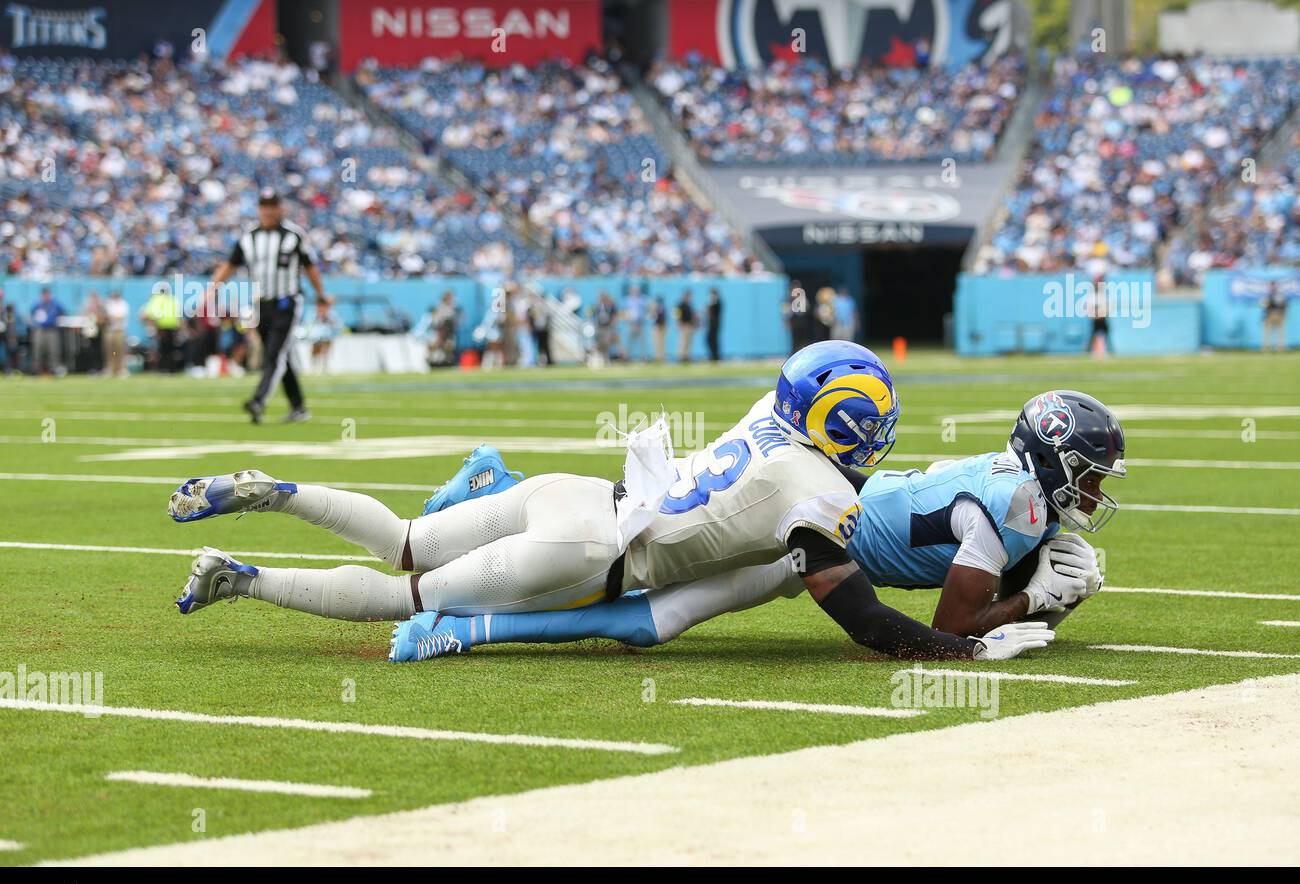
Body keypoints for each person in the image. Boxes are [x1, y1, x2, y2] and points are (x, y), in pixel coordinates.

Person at [168, 342, 1054, 664]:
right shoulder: (816, 489)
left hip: (578, 491)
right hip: (595, 557)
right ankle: (241, 580)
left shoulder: (766, 419)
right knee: (406, 598)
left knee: (403, 540)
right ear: (847, 423)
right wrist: (964, 647)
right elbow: (861, 619)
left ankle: (277, 491)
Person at [402, 391, 1122, 655]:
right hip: (801, 541)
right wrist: (1037, 598)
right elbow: (951, 629)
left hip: (810, 503)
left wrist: (1044, 603)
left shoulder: (1021, 493)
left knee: (644, 516)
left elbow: (997, 621)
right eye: (1088, 474)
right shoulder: (1020, 506)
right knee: (646, 618)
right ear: (1053, 463)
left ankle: (502, 490)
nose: (1092, 493)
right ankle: (463, 627)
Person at [209, 189, 333, 424]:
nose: (267, 210)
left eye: (272, 205)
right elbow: (230, 264)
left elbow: (310, 267)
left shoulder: (294, 236)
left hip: (287, 302)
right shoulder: (248, 237)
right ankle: (299, 407)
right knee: (279, 357)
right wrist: (211, 289)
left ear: (280, 208)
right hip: (261, 304)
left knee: (275, 355)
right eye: (263, 205)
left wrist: (320, 296)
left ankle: (258, 400)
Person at [141, 285, 181, 373]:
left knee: (161, 349)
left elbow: (151, 313)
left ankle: (162, 368)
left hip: (161, 327)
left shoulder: (157, 299)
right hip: (172, 327)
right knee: (170, 349)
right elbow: (178, 315)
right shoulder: (173, 299)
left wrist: (154, 324)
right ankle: (171, 369)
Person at [30, 288, 65, 376]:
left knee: (53, 351)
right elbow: (32, 313)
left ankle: (54, 370)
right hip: (40, 329)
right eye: (44, 295)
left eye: (47, 295)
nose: (46, 297)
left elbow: (62, 312)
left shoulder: (55, 304)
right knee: (38, 350)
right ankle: (36, 370)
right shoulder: (38, 304)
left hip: (52, 329)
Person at [103, 290, 129, 377]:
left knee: (119, 350)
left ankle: (121, 369)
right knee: (110, 351)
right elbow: (106, 316)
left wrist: (112, 317)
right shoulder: (108, 304)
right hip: (110, 330)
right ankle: (110, 368)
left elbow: (120, 317)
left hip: (119, 330)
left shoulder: (123, 304)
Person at [623, 284, 648, 362]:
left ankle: (644, 357)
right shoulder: (627, 300)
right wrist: (628, 318)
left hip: (640, 323)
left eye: (636, 290)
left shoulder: (642, 299)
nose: (635, 292)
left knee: (642, 341)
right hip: (631, 323)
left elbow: (648, 307)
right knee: (629, 341)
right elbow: (624, 311)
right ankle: (626, 357)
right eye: (633, 290)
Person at [1262, 281, 1288, 353]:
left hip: (1275, 314)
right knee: (1268, 333)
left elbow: (1283, 305)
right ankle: (1267, 349)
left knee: (1278, 332)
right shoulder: (1275, 295)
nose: (1271, 287)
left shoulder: (1276, 295)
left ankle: (1279, 348)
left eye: (1272, 286)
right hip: (1271, 315)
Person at [675, 290, 696, 362]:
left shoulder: (689, 305)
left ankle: (686, 356)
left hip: (689, 325)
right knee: (683, 342)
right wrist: (679, 323)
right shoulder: (680, 304)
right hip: (684, 325)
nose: (689, 298)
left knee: (689, 342)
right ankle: (681, 357)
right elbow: (677, 315)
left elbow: (692, 316)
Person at [705, 288, 723, 362]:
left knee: (713, 339)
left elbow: (710, 312)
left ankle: (715, 356)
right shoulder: (714, 302)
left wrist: (708, 307)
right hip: (712, 323)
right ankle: (713, 355)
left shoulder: (717, 302)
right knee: (711, 340)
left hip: (714, 324)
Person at [650, 294, 667, 363]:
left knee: (660, 343)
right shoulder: (657, 308)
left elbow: (661, 318)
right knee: (658, 343)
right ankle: (658, 357)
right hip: (658, 326)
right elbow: (652, 316)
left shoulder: (661, 308)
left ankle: (660, 357)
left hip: (660, 326)